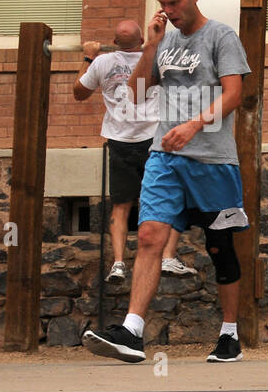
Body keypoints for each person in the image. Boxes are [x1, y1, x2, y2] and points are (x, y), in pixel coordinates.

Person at [83, 0, 251, 364]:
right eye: (162, 4)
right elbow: (138, 94)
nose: (169, 10)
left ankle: (229, 335)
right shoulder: (165, 41)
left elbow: (233, 96)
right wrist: (151, 46)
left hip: (213, 159)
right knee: (150, 236)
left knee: (219, 246)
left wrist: (194, 126)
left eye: (174, 2)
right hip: (164, 157)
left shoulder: (222, 36)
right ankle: (132, 332)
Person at [74, 21, 197, 282]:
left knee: (121, 204)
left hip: (121, 139)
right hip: (154, 137)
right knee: (172, 195)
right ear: (142, 38)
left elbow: (79, 93)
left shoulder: (102, 62)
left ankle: (119, 263)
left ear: (115, 42)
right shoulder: (157, 58)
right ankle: (167, 256)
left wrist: (88, 56)